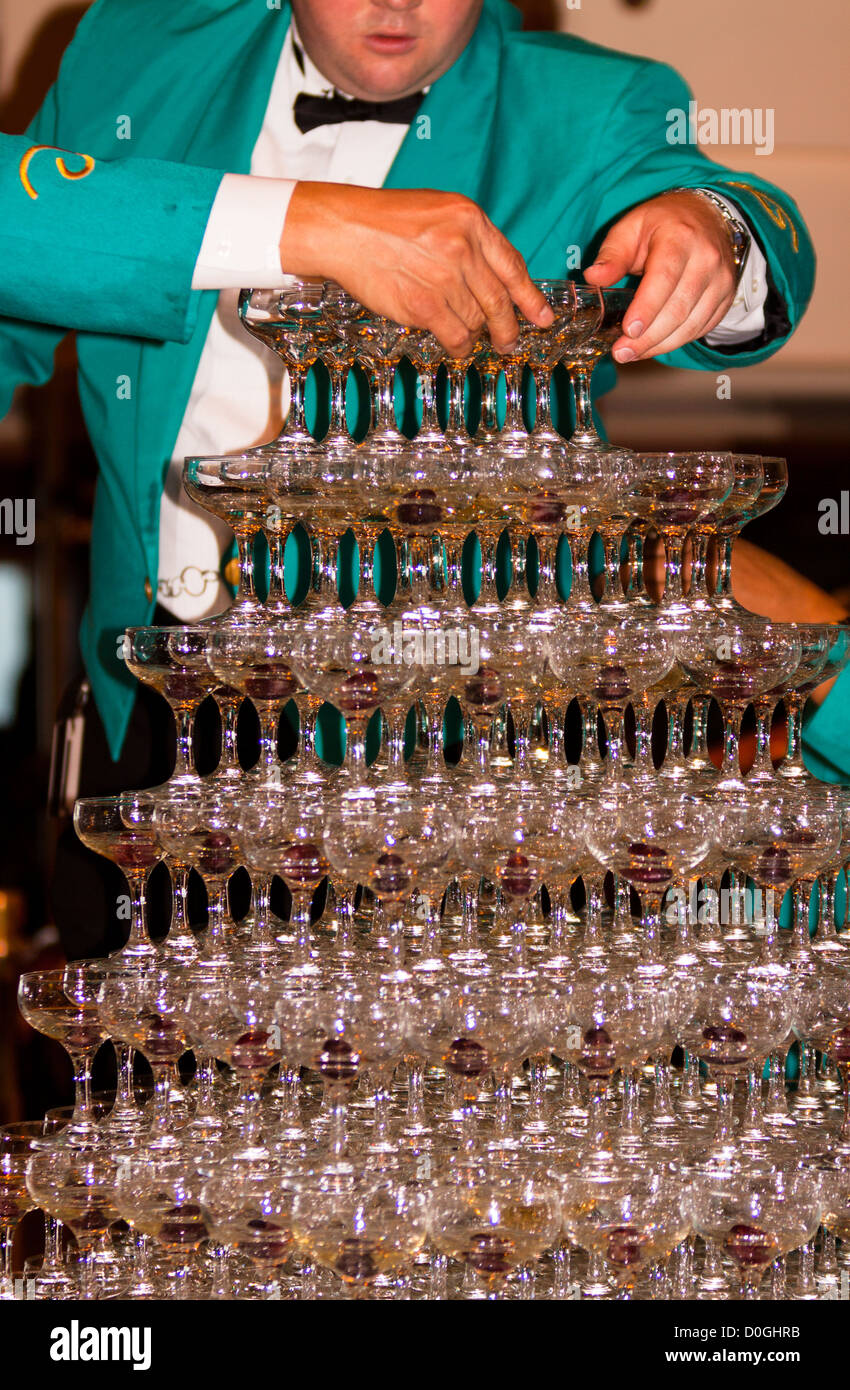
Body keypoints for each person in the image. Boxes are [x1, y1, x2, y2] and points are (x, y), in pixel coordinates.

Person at [0, 0, 844, 951]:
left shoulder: (589, 105)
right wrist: (297, 225)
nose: (395, 3)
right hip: (156, 715)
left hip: (452, 756)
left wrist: (714, 234)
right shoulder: (135, 49)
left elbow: (739, 218)